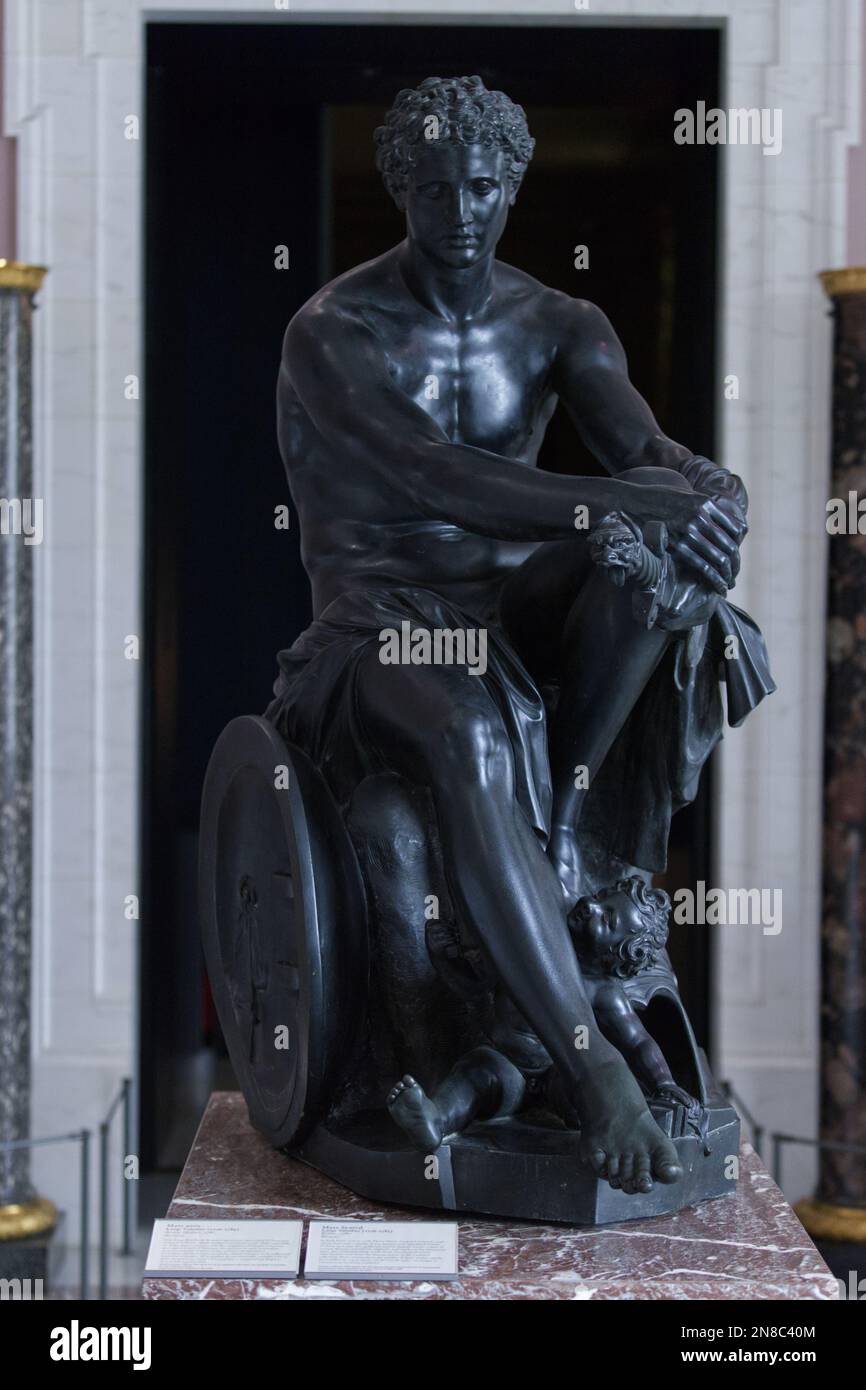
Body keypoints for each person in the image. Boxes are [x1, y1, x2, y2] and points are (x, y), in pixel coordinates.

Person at [266, 75, 772, 1193]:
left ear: (512, 187)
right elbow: (431, 473)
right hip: (377, 627)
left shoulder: (559, 324)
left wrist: (704, 492)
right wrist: (631, 502)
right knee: (471, 726)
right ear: (401, 187)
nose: (461, 213)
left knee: (644, 571)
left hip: (511, 620)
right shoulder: (334, 332)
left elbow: (646, 453)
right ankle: (595, 1077)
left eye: (483, 188)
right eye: (436, 189)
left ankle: (564, 823)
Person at [387, 878, 701, 1195]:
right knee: (473, 1076)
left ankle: (598, 1128)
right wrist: (443, 957)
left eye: (606, 919)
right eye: (599, 896)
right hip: (505, 1064)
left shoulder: (604, 993)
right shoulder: (533, 946)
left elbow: (637, 1042)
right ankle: (435, 1118)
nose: (590, 906)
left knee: (579, 1093)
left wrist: (664, 1083)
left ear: (615, 956)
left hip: (558, 1072)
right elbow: (474, 985)